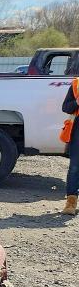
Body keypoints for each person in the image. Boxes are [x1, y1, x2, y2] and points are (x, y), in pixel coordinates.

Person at [63, 77, 79, 216]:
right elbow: (66, 107)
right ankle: (71, 203)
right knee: (75, 167)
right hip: (78, 131)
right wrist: (77, 102)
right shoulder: (76, 84)